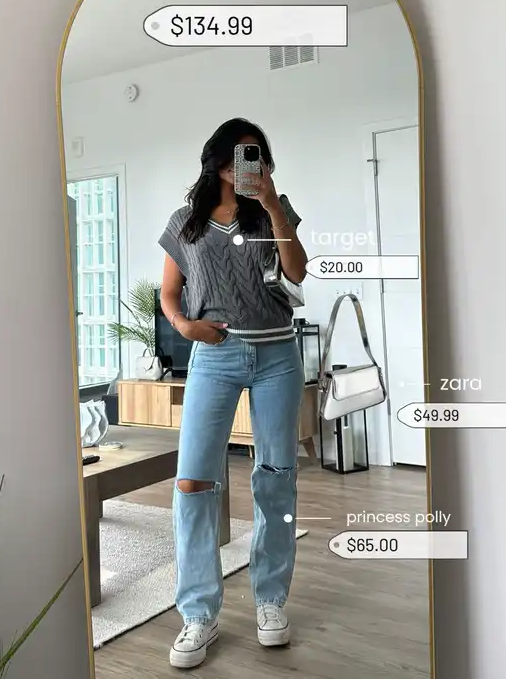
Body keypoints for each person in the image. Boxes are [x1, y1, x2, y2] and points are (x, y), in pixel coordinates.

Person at [158, 118, 308, 669]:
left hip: (277, 356)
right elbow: (169, 293)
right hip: (214, 356)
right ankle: (199, 613)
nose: (248, 164)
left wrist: (271, 204)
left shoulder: (274, 211)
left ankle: (271, 601)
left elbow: (297, 273)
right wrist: (184, 325)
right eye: (239, 154)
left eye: (257, 155)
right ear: (217, 160)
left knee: (276, 477)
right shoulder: (185, 223)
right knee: (193, 480)